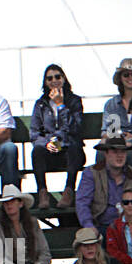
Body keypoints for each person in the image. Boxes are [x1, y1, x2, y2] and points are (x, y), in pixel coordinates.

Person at [30, 63, 85, 210]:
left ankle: (68, 190)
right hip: (49, 150)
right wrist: (48, 143)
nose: (54, 80)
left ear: (64, 78)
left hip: (69, 148)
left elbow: (74, 127)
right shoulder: (41, 104)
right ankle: (42, 192)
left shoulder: (74, 101)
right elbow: (34, 133)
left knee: (74, 147)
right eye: (49, 78)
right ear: (45, 82)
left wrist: (61, 106)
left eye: (57, 76)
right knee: (37, 151)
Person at [75, 135, 132, 234]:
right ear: (106, 154)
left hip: (130, 228)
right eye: (115, 152)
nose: (120, 156)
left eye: (123, 152)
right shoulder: (91, 173)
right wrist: (89, 225)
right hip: (101, 227)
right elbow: (82, 203)